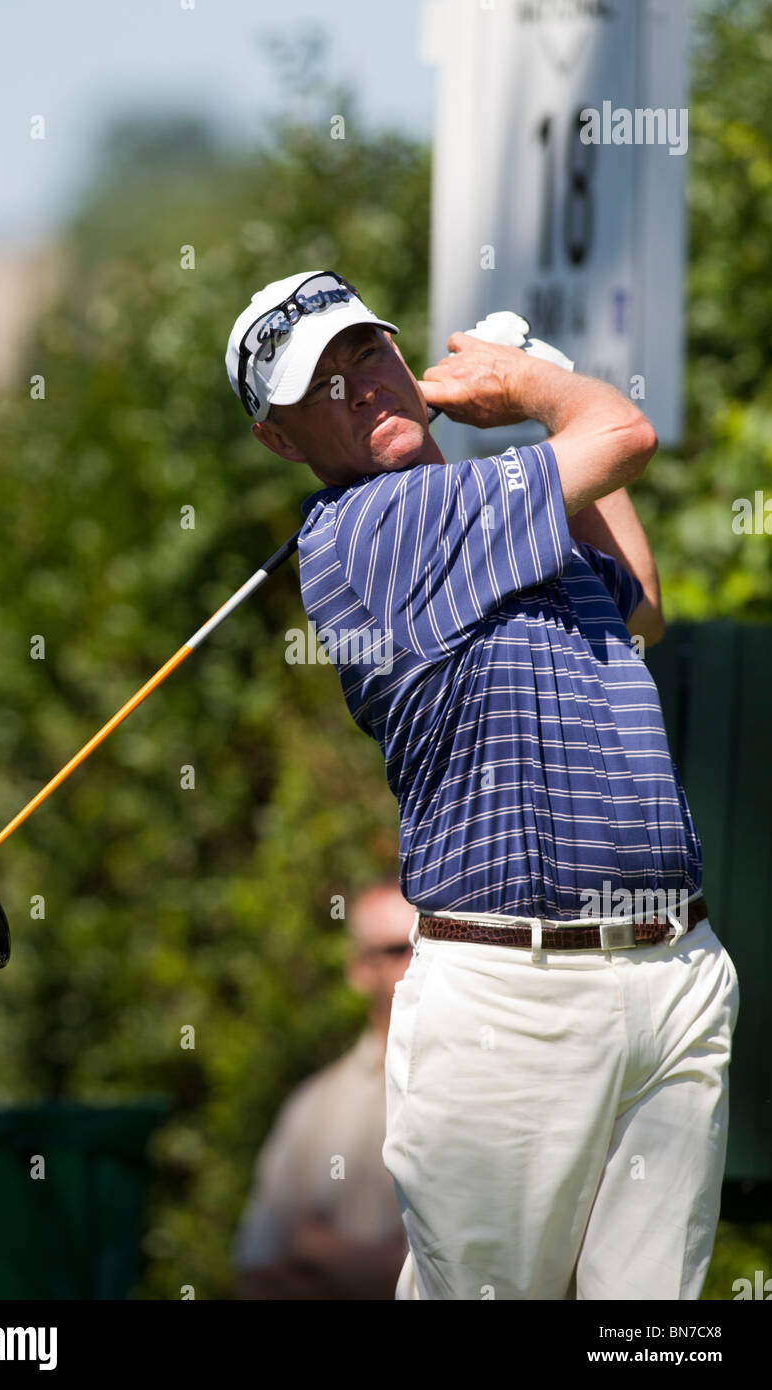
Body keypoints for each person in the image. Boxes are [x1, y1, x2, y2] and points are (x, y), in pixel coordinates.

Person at [224, 270, 740, 1301]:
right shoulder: (375, 531)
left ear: (399, 354)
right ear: (281, 443)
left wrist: (536, 402)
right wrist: (537, 387)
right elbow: (621, 434)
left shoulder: (492, 517)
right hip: (515, 1000)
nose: (357, 389)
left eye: (363, 353)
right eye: (317, 387)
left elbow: (636, 601)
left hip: (671, 970)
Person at [233, 882, 413, 1299]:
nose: (414, 961)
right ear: (359, 969)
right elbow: (259, 1270)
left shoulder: (474, 1088)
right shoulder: (313, 1107)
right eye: (395, 950)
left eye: (421, 944)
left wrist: (319, 1251)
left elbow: (462, 1280)